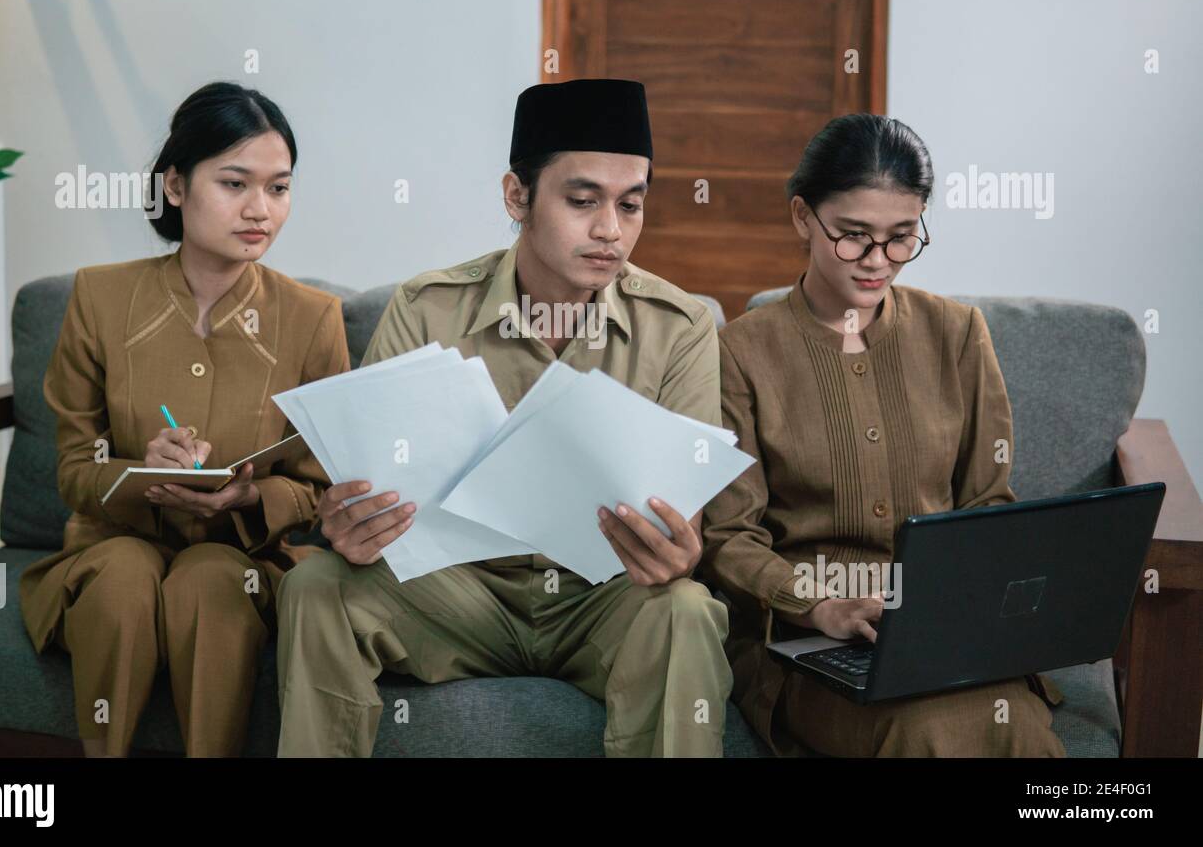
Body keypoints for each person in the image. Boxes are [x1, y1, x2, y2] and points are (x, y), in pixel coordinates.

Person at [275, 78, 733, 757]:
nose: (610, 229)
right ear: (517, 196)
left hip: (601, 601)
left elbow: (681, 524)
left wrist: (678, 551)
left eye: (630, 205)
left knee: (688, 610)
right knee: (317, 583)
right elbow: (372, 485)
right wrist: (349, 522)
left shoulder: (683, 326)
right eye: (582, 201)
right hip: (460, 599)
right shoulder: (426, 307)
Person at [702, 113, 1065, 757]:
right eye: (853, 237)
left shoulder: (957, 333)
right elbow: (729, 533)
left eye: (901, 238)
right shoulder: (741, 352)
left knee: (1015, 727)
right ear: (801, 218)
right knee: (922, 730)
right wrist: (817, 605)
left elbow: (988, 506)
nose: (878, 263)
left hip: (942, 632)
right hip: (806, 640)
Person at [20, 82, 349, 757]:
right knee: (122, 579)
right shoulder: (99, 297)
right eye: (235, 183)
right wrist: (138, 472)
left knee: (210, 577)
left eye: (279, 188)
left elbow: (320, 484)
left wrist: (253, 494)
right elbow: (76, 473)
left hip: (244, 556)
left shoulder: (314, 319)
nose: (261, 209)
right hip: (112, 543)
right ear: (175, 185)